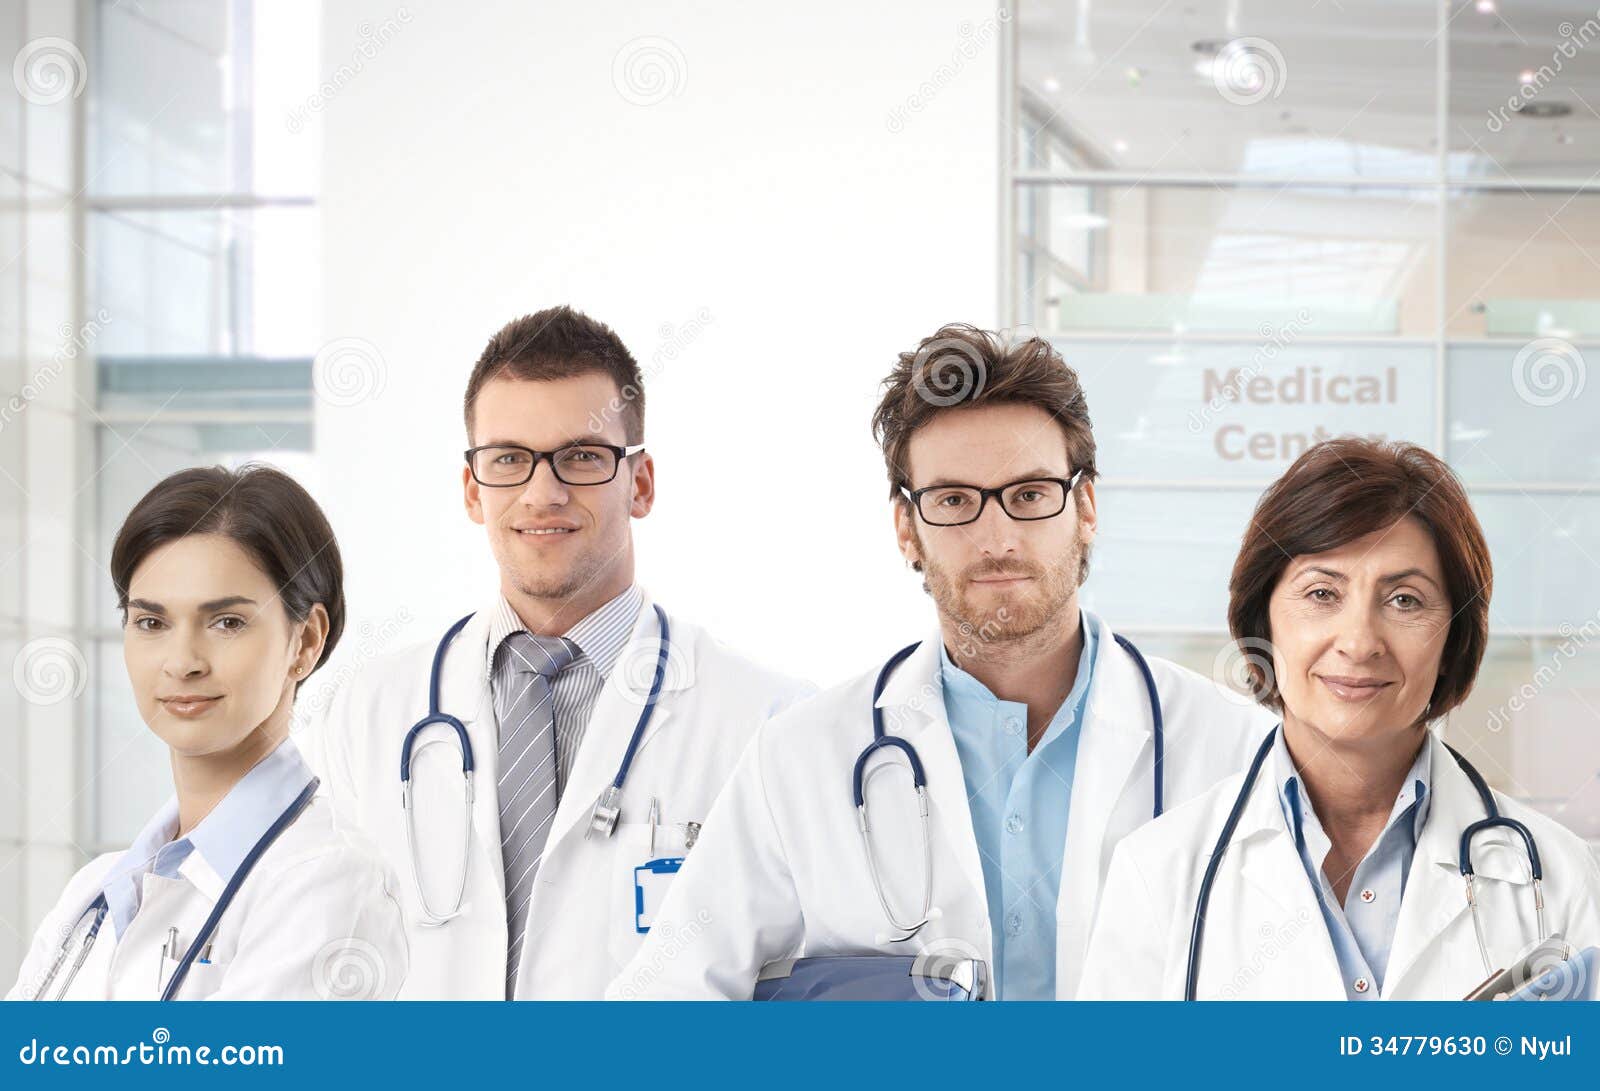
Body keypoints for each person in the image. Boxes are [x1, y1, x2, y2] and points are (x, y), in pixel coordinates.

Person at [610, 324, 1274, 1000]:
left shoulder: (1233, 749)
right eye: (955, 500)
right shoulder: (799, 760)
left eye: (1030, 494)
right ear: (907, 528)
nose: (997, 538)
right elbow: (664, 1004)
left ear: (1086, 507)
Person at [306, 305, 813, 999]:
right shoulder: (368, 712)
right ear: (471, 489)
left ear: (640, 483)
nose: (543, 492)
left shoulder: (766, 722)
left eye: (581, 455)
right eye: (509, 459)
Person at [1078, 438, 1600, 1001]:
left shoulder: (1558, 874)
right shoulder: (1159, 871)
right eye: (1322, 592)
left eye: (1404, 600)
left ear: (1453, 637)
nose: (1358, 642)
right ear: (1265, 621)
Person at [8, 465, 405, 1001]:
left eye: (227, 623)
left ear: (306, 642)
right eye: (151, 623)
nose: (183, 662)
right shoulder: (92, 895)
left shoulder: (327, 881)